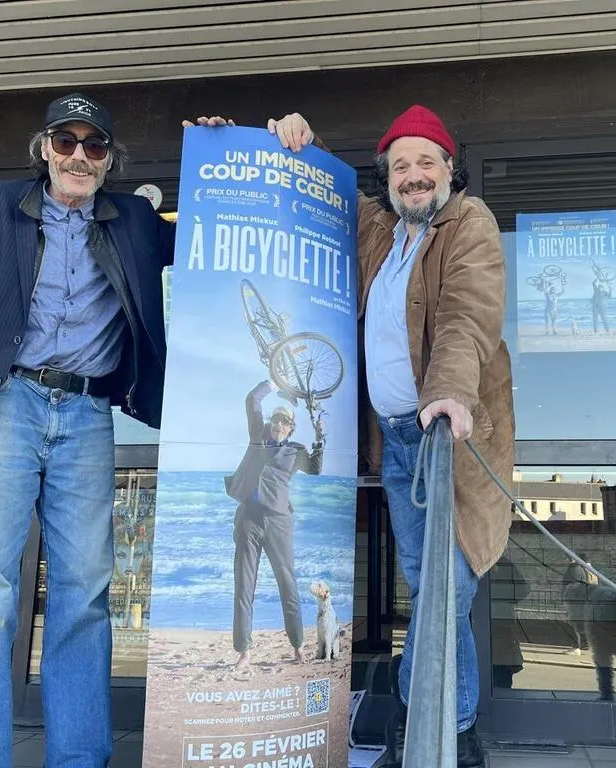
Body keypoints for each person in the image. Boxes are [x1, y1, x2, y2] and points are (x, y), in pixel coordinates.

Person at [0, 92, 177, 768]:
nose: (79, 156)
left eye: (94, 146)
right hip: (8, 405)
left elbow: (218, 220)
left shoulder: (139, 220)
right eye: (67, 142)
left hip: (88, 412)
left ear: (110, 159)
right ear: (44, 148)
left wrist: (242, 140)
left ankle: (79, 758)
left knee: (85, 593)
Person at [262, 105, 515, 768]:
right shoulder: (379, 229)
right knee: (420, 581)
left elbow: (468, 316)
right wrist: (302, 140)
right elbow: (324, 192)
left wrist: (449, 395)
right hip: (396, 441)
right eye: (400, 165)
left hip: (448, 439)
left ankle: (446, 730)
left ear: (448, 170)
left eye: (425, 162)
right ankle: (432, 724)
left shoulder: (469, 224)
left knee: (447, 587)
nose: (413, 175)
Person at [224, 379, 325, 672]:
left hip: (279, 523)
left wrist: (320, 438)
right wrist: (273, 380)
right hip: (249, 521)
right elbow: (252, 399)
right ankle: (243, 651)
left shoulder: (295, 451)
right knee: (244, 586)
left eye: (285, 421)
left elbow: (315, 468)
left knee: (287, 584)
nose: (279, 424)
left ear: (291, 428)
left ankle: (297, 645)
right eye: (277, 419)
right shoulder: (257, 434)